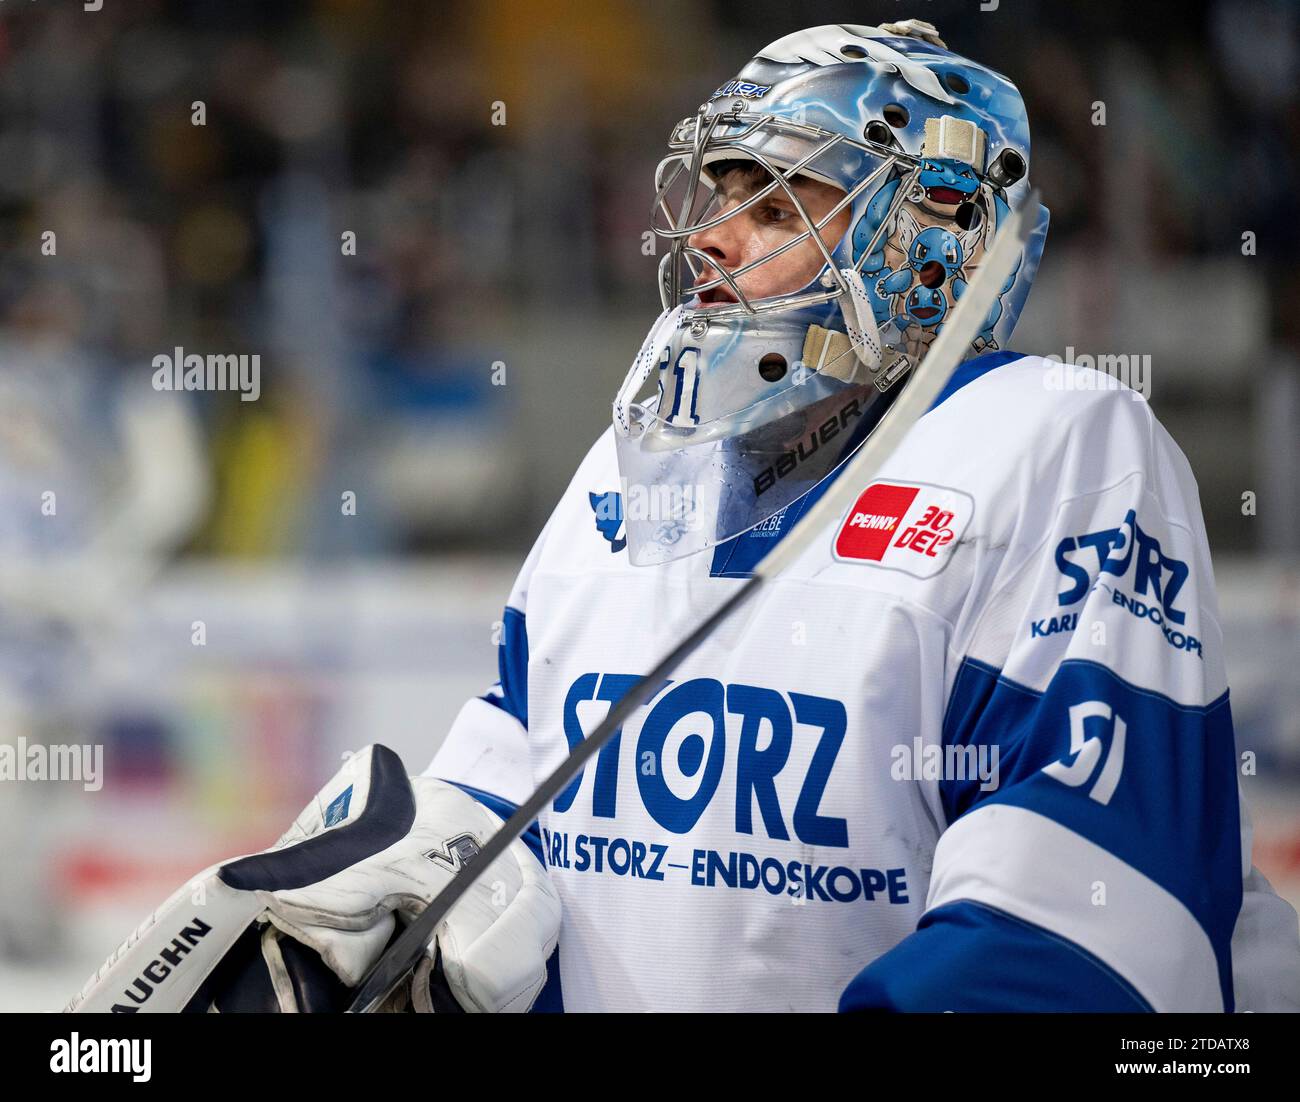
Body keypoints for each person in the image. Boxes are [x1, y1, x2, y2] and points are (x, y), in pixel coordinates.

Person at [71, 19, 1300, 1014]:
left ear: (930, 242)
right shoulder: (635, 461)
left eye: (780, 205)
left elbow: (1084, 931)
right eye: (720, 192)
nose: (712, 235)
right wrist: (411, 905)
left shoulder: (1055, 443)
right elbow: (518, 780)